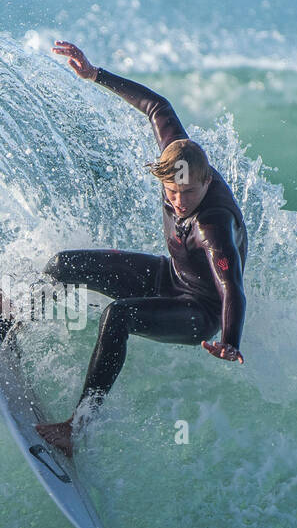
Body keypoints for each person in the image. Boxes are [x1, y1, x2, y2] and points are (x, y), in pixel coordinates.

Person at [33, 41, 248, 458]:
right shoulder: (179, 155)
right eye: (172, 191)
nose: (180, 201)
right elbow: (157, 107)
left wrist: (230, 339)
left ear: (206, 182)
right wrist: (94, 74)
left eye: (189, 192)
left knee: (118, 315)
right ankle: (11, 320)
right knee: (62, 264)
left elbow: (232, 287)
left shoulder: (212, 225)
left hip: (198, 311)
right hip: (170, 276)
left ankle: (76, 428)